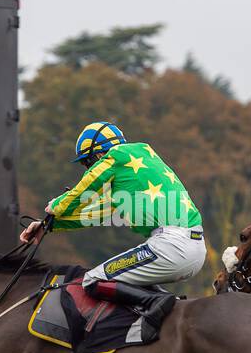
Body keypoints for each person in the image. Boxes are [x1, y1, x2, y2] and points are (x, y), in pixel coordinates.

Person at [20, 121, 206, 322]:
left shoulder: (116, 156)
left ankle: (158, 305)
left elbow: (85, 187)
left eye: (87, 163)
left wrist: (56, 206)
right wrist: (50, 225)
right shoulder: (135, 169)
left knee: (93, 280)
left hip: (171, 245)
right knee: (125, 278)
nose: (87, 168)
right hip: (195, 248)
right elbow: (96, 213)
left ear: (99, 155)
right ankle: (163, 304)